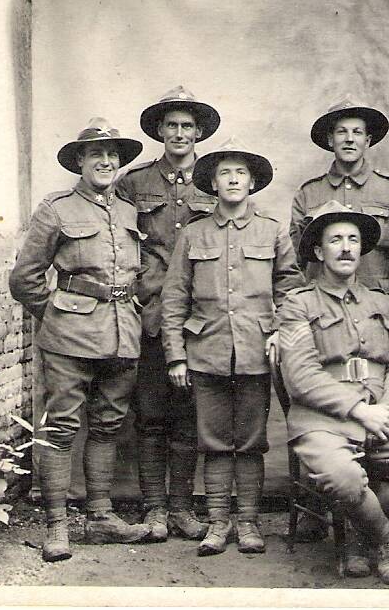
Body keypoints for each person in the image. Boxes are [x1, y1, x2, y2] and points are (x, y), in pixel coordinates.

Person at [277, 201, 389, 584]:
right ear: (319, 252)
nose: (346, 247)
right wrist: (359, 411)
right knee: (344, 480)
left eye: (353, 239)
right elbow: (301, 374)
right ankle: (386, 540)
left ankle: (358, 527)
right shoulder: (297, 305)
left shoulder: (379, 302)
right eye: (335, 239)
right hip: (325, 418)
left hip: (384, 412)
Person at [9, 118, 151, 562]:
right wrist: (56, 316)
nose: (106, 162)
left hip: (122, 332)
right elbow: (25, 277)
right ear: (80, 162)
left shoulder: (128, 211)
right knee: (62, 426)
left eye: (113, 156)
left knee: (109, 424)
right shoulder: (56, 208)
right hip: (69, 338)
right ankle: (56, 526)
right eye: (96, 156)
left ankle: (100, 518)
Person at [160, 136, 305, 556]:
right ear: (213, 183)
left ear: (253, 181)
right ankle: (218, 523)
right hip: (205, 352)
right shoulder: (194, 233)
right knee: (214, 441)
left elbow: (290, 289)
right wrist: (175, 355)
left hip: (258, 353)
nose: (233, 179)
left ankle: (248, 523)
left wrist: (281, 330)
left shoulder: (272, 231)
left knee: (252, 441)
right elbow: (175, 298)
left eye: (241, 172)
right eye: (225, 172)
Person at [288, 95, 389, 542]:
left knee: (388, 415)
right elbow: (298, 263)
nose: (350, 138)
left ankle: (372, 521)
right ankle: (330, 507)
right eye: (341, 131)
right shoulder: (309, 194)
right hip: (324, 323)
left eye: (358, 131)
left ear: (369, 138)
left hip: (378, 316)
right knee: (329, 409)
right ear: (329, 140)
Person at [115, 85, 221, 542]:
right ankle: (154, 510)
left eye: (187, 127)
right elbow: (116, 242)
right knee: (151, 414)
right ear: (160, 131)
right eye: (172, 126)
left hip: (201, 317)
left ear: (199, 134)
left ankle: (181, 508)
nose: (179, 133)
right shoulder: (133, 184)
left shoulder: (215, 182)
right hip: (151, 315)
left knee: (188, 415)